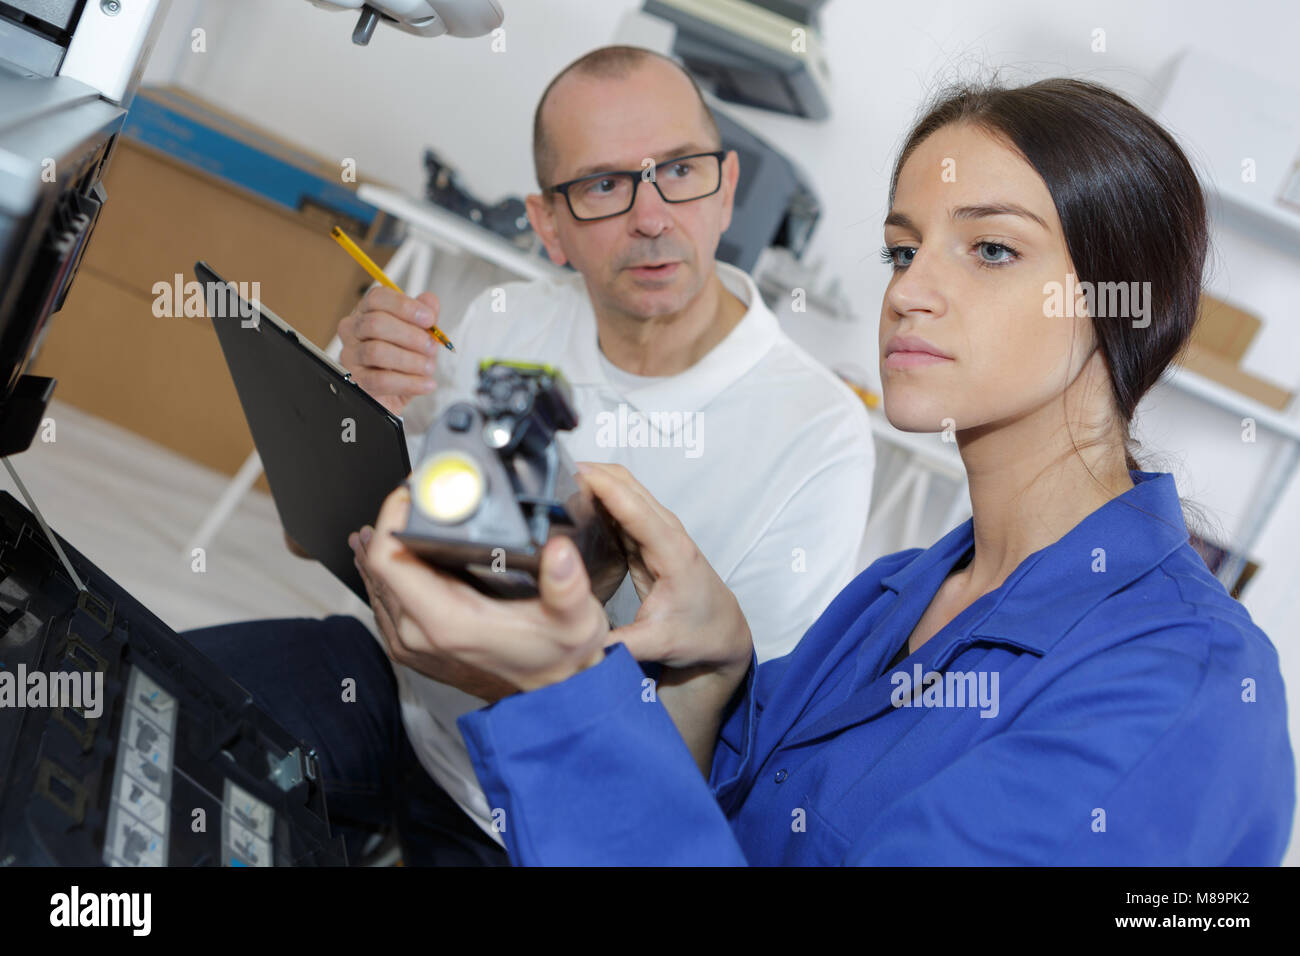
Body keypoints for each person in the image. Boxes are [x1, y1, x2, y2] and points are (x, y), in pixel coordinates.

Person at [352, 77, 1296, 864]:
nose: (910, 292)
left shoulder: (1184, 692)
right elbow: (720, 822)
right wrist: (715, 666)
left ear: (1123, 301)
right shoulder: (897, 596)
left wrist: (554, 691)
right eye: (902, 249)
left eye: (992, 249)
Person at [182, 46, 873, 865]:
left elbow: (710, 769)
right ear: (548, 226)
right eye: (604, 185)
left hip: (540, 811)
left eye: (679, 171)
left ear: (725, 188)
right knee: (149, 703)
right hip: (398, 702)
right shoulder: (505, 323)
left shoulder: (818, 435)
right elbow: (328, 538)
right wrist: (355, 414)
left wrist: (515, 669)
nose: (651, 217)